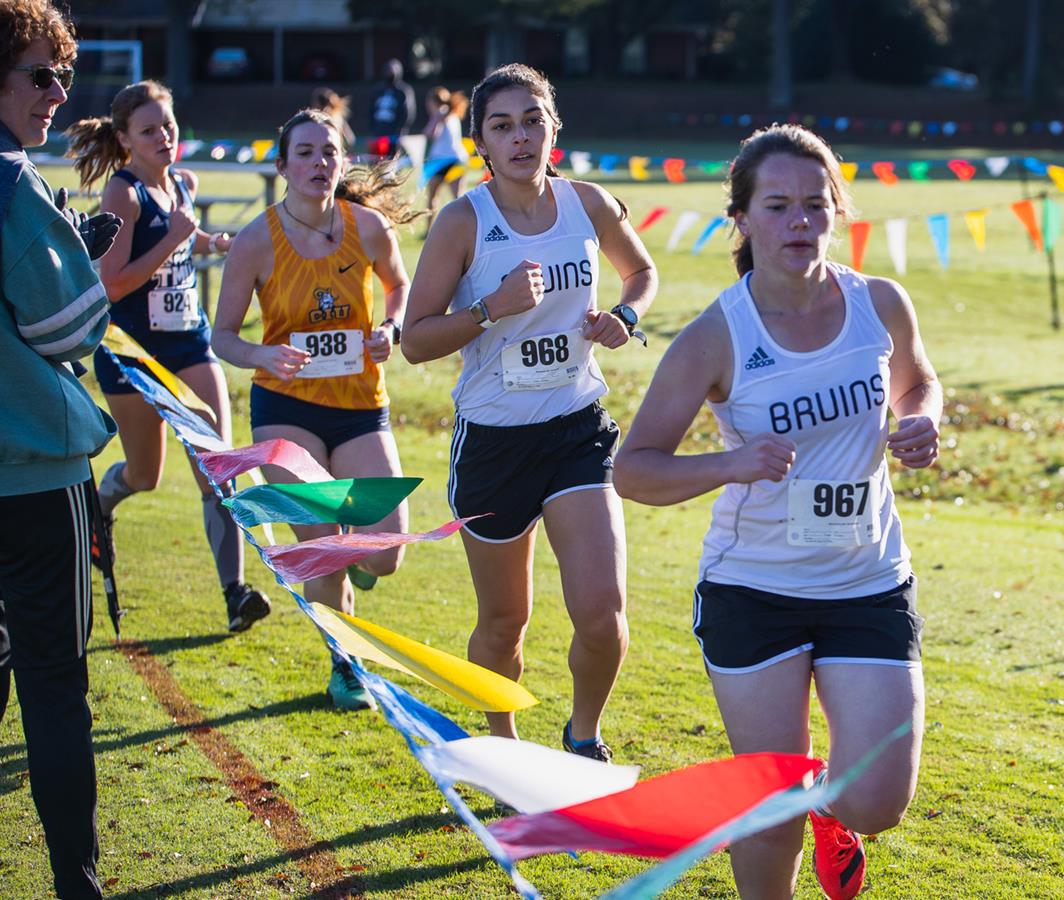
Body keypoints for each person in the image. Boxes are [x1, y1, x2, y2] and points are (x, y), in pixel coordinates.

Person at [613, 124, 941, 900]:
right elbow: (633, 470)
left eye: (816, 205)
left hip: (866, 581)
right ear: (745, 219)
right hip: (754, 587)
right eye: (780, 205)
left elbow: (919, 381)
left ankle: (831, 808)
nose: (801, 221)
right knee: (767, 807)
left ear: (836, 212)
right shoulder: (715, 337)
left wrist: (924, 419)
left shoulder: (880, 302)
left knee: (877, 801)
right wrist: (731, 462)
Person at [402, 64, 656, 759]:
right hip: (493, 442)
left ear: (553, 129)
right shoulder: (463, 222)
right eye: (502, 125)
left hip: (578, 429)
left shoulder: (588, 203)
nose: (520, 137)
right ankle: (505, 748)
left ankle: (584, 735)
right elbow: (414, 341)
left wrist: (626, 315)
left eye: (532, 120)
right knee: (505, 624)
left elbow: (642, 271)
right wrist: (490, 308)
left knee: (603, 615)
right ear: (480, 142)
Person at [212, 109, 417, 711]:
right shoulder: (255, 240)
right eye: (304, 152)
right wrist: (262, 354)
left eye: (328, 152)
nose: (317, 163)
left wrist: (392, 328)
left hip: (358, 405)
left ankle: (354, 566)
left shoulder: (369, 227)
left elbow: (400, 286)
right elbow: (223, 335)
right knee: (324, 549)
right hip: (285, 409)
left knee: (387, 551)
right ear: (282, 166)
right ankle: (345, 664)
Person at [64, 80, 271, 634]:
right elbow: (113, 286)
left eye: (169, 124)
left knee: (216, 468)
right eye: (150, 129)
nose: (164, 135)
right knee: (145, 473)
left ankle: (236, 594)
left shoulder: (183, 181)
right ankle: (101, 507)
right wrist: (176, 236)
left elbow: (186, 238)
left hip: (189, 343)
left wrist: (212, 241)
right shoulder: (123, 195)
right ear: (127, 140)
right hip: (133, 355)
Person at [0, 2, 123, 896]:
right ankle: (76, 882)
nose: (59, 93)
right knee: (52, 684)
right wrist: (82, 256)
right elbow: (73, 327)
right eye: (42, 73)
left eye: (64, 74)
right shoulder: (11, 179)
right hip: (34, 475)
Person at [421, 87, 468, 231]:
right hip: (457, 158)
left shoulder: (440, 113)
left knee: (432, 197)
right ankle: (464, 229)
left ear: (432, 102)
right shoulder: (452, 112)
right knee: (458, 198)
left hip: (441, 161)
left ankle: (428, 231)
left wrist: (435, 118)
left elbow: (430, 133)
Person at [368, 59, 414, 159]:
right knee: (378, 160)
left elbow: (408, 112)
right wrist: (373, 128)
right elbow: (371, 110)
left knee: (393, 159)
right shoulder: (378, 89)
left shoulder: (403, 90)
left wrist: (400, 130)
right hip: (379, 133)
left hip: (394, 134)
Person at [309, 86, 356, 154]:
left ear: (318, 104)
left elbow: (349, 139)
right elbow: (351, 139)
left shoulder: (321, 119)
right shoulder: (337, 116)